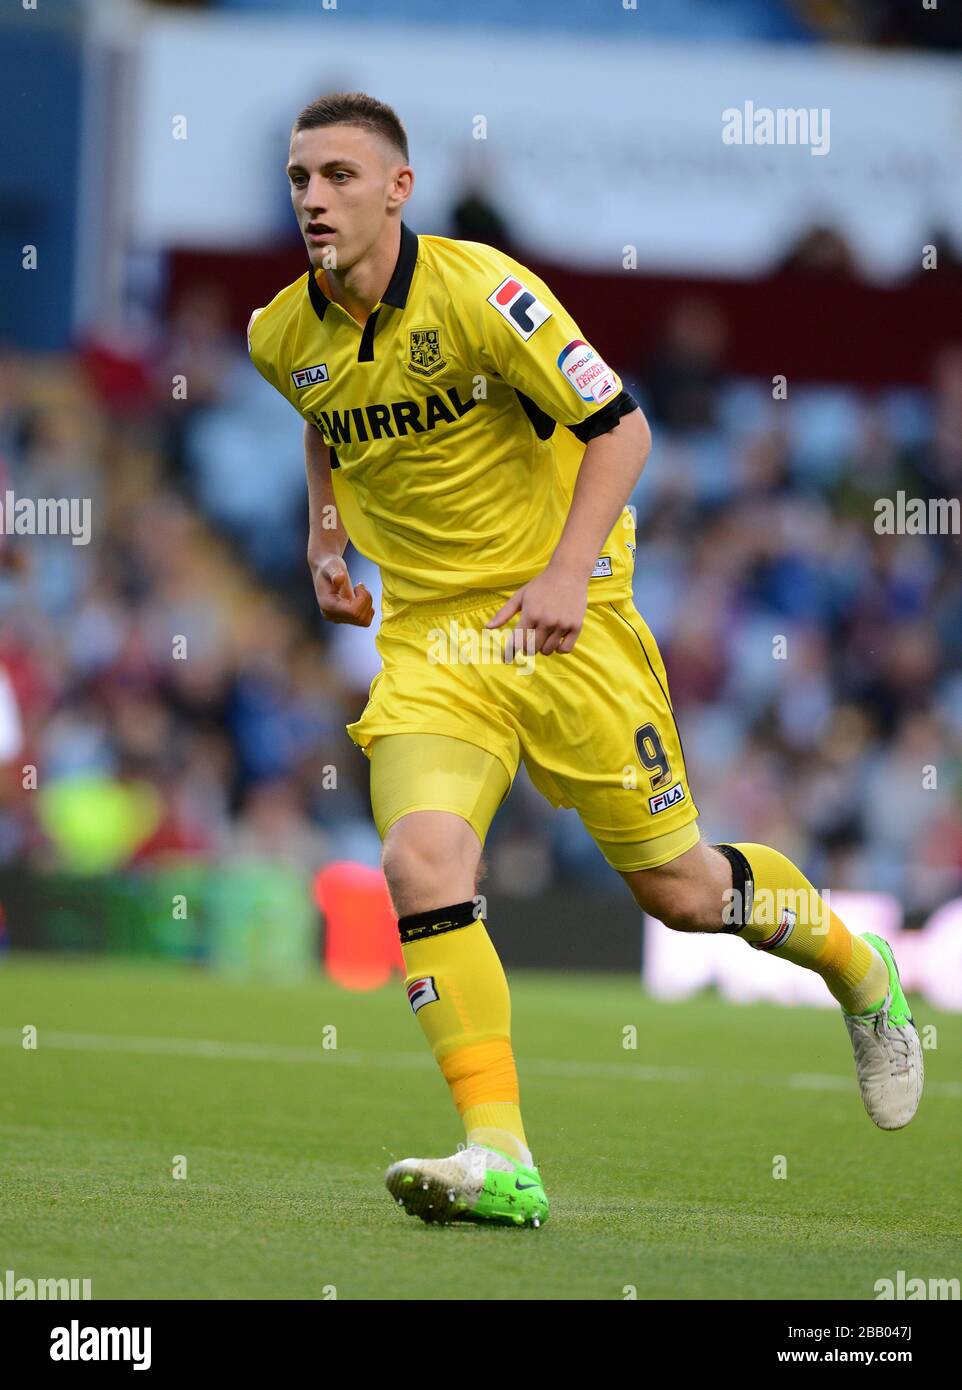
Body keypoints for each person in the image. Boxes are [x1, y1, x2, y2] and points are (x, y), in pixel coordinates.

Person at [247, 92, 923, 1230]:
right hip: (431, 638)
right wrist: (325, 535)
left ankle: (858, 969)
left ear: (398, 190)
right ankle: (498, 1154)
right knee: (419, 862)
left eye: (340, 177)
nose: (314, 197)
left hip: (565, 616)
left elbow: (623, 428)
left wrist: (563, 575)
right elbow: (323, 411)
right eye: (300, 177)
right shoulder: (279, 332)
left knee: (679, 892)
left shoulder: (483, 293)